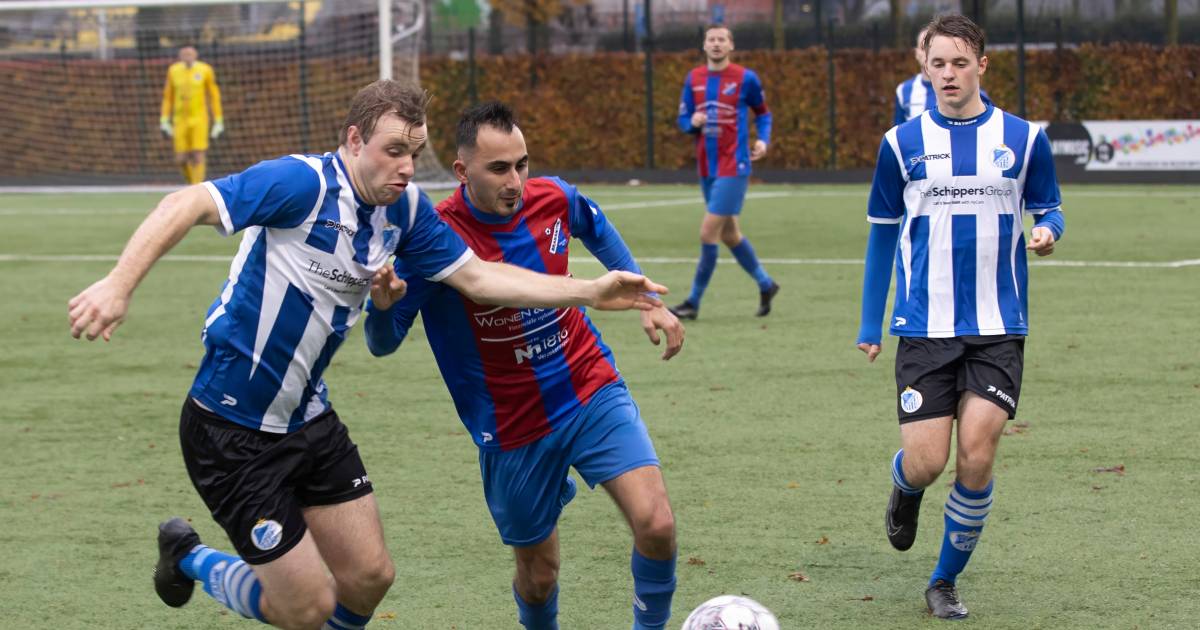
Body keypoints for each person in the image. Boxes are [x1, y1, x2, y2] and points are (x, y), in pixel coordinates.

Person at [68, 80, 667, 630]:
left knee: (370, 578)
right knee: (306, 609)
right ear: (354, 141)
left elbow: (482, 280)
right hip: (231, 427)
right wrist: (117, 285)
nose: (407, 168)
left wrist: (589, 290)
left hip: (309, 418)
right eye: (392, 151)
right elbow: (186, 203)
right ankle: (191, 558)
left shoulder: (406, 213)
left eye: (415, 152)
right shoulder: (301, 183)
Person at [363, 101, 683, 630]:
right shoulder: (432, 238)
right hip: (510, 426)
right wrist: (383, 306)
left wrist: (647, 294)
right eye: (499, 169)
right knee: (539, 577)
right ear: (462, 172)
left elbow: (593, 223)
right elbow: (382, 343)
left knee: (657, 524)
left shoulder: (552, 197)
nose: (516, 181)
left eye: (522, 164)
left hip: (585, 385)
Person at [856, 14, 1064, 621]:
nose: (948, 74)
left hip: (998, 326)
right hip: (923, 327)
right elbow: (879, 239)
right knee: (927, 461)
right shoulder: (901, 144)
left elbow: (1050, 206)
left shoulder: (1025, 139)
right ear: (925, 68)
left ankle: (943, 580)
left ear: (982, 65)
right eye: (938, 64)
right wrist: (872, 324)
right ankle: (906, 487)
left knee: (977, 450)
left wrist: (1048, 230)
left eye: (959, 62)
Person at [670, 24, 778, 321]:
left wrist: (763, 140)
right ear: (704, 45)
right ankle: (766, 284)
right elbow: (682, 121)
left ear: (731, 46)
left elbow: (764, 114)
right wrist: (692, 121)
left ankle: (692, 301)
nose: (716, 44)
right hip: (707, 166)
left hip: (735, 165)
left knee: (708, 232)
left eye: (722, 39)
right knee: (730, 234)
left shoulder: (746, 78)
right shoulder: (694, 78)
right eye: (711, 39)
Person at [895, 27, 991, 126]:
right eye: (923, 48)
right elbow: (899, 127)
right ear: (916, 53)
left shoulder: (975, 94)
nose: (948, 74)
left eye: (960, 64)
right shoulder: (904, 90)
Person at [161, 45, 225, 185]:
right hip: (180, 120)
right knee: (180, 159)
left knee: (198, 154)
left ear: (196, 54)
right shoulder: (173, 71)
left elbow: (214, 96)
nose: (187, 55)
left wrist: (218, 120)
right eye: (184, 53)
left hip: (199, 119)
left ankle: (197, 186)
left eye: (190, 53)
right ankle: (192, 183)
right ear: (180, 55)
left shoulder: (205, 70)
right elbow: (168, 97)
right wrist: (164, 119)